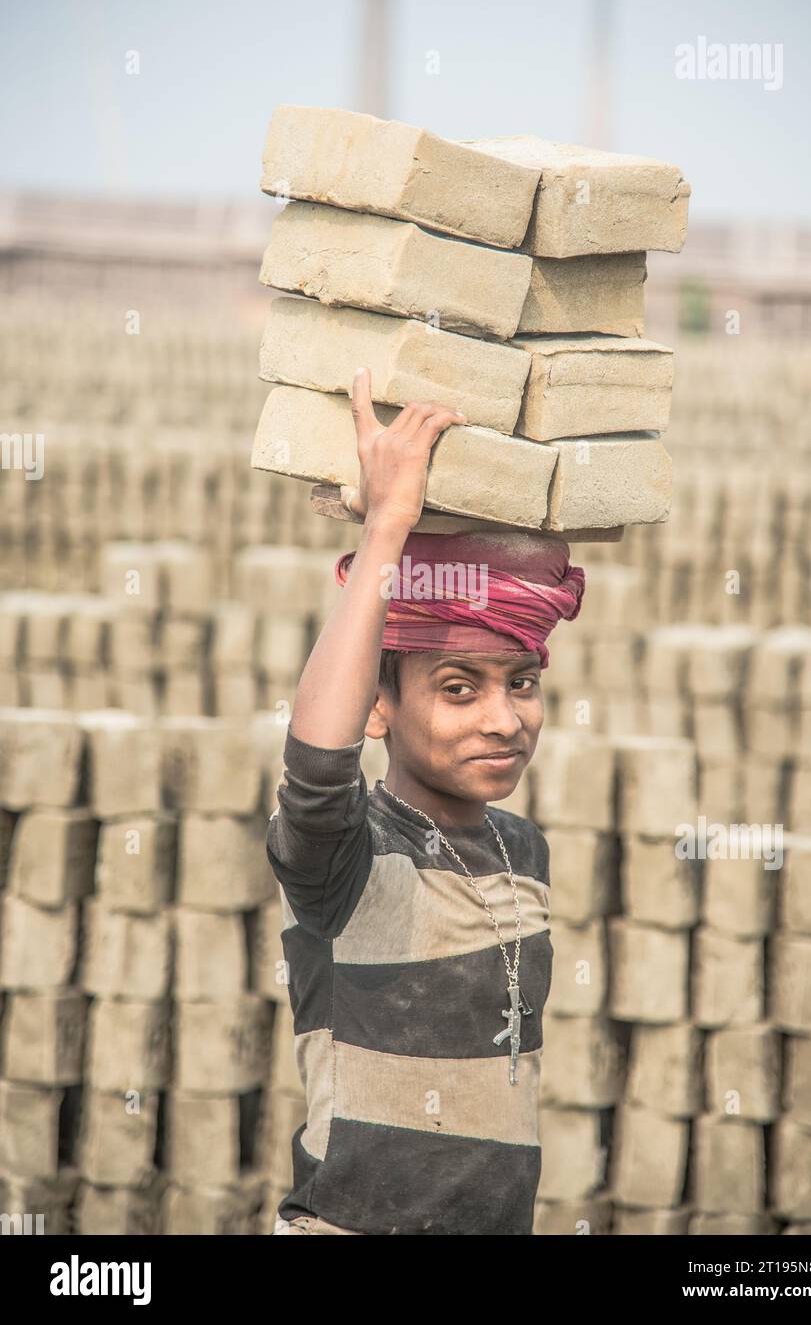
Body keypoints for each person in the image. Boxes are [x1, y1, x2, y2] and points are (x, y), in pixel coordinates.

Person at [267, 367, 586, 1236]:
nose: (503, 719)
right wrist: (389, 527)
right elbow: (316, 766)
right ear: (379, 706)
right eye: (457, 688)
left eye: (521, 683)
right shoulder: (345, 860)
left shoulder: (523, 850)